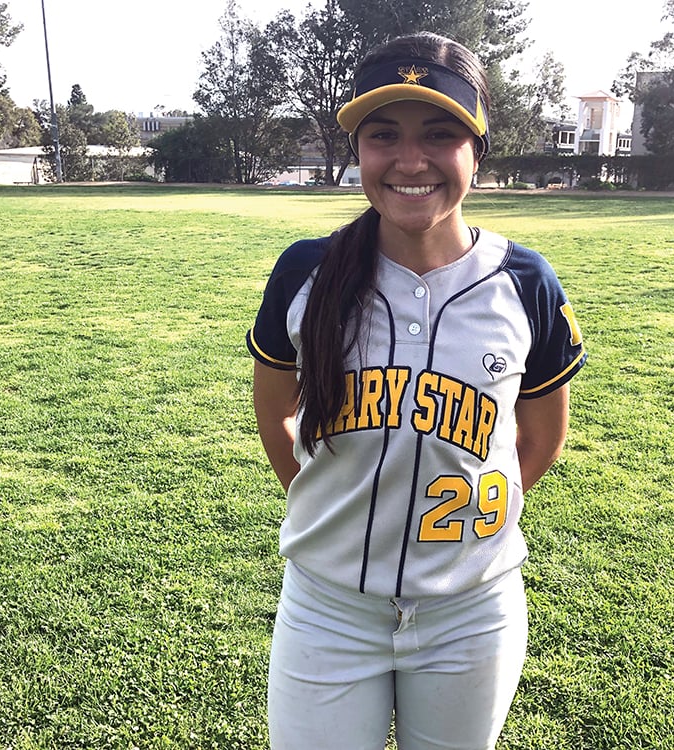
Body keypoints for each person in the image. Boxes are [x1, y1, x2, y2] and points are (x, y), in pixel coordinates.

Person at [247, 31, 586, 750]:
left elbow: (542, 438)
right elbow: (275, 414)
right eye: (383, 135)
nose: (409, 160)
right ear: (358, 150)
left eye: (439, 133)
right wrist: (325, 505)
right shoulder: (306, 272)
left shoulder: (525, 284)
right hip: (328, 609)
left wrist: (471, 522)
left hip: (471, 611)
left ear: (477, 147)